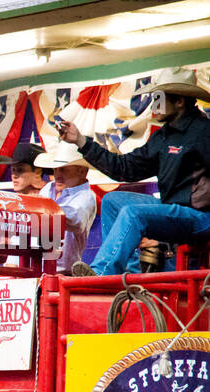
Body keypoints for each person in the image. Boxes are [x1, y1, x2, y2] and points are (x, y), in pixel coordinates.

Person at [61, 67, 210, 278]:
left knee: (134, 213)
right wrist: (81, 141)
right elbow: (124, 168)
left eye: (159, 98)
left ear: (180, 102)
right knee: (112, 201)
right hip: (175, 210)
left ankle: (102, 274)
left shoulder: (204, 132)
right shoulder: (162, 138)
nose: (154, 104)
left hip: (201, 216)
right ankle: (125, 272)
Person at [33, 141, 98, 274]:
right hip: (39, 268)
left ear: (82, 171)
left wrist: (40, 208)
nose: (57, 174)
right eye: (55, 169)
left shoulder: (86, 196)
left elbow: (76, 220)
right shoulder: (48, 188)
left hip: (64, 273)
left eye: (63, 169)